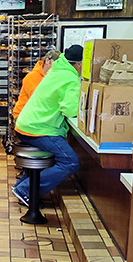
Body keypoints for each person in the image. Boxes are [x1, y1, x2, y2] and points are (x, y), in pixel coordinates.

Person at [12, 44, 83, 207]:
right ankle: (25, 190)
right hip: (39, 129)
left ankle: (21, 186)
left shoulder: (55, 71)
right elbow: (70, 110)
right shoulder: (70, 78)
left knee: (54, 158)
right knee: (70, 162)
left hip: (27, 125)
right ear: (78, 65)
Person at [12, 49, 60, 119]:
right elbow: (38, 100)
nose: (58, 67)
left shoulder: (52, 77)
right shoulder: (32, 77)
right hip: (22, 116)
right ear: (47, 61)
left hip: (36, 115)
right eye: (56, 63)